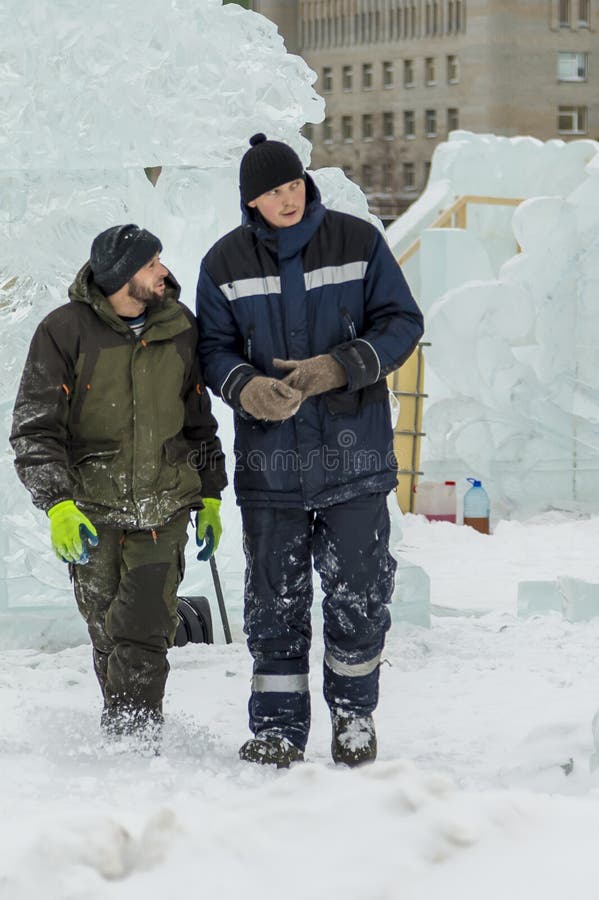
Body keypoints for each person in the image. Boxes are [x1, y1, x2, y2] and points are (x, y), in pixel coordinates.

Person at [196, 134, 424, 768]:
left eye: (294, 184)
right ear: (252, 200)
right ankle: (277, 727)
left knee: (359, 592)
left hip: (354, 459)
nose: (288, 198)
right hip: (271, 465)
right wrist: (246, 387)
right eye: (274, 191)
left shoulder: (358, 241)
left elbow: (403, 322)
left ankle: (353, 718)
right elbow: (211, 349)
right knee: (274, 600)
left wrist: (340, 366)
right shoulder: (223, 263)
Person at [10, 224, 226, 744]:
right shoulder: (64, 331)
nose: (163, 271)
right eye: (151, 264)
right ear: (121, 276)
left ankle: (134, 736)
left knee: (144, 630)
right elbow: (35, 428)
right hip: (92, 509)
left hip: (164, 506)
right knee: (108, 632)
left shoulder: (180, 326)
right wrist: (58, 504)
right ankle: (123, 725)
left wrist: (210, 494)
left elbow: (199, 419)